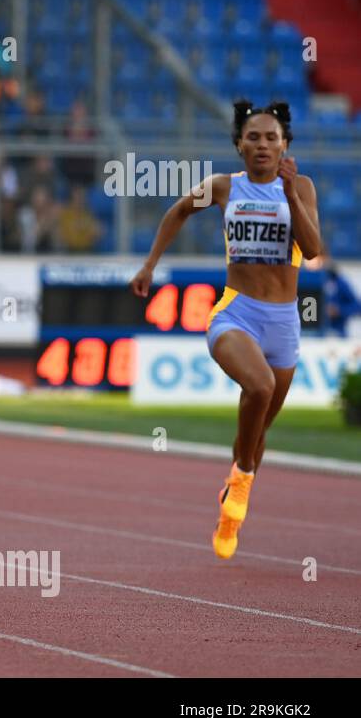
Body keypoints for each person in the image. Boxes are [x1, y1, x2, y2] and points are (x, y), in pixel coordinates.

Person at [130, 101, 322, 560]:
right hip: (235, 314)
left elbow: (313, 250)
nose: (262, 145)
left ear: (285, 146)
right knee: (258, 386)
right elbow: (176, 212)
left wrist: (292, 195)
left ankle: (237, 482)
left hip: (283, 324)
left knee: (256, 434)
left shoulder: (303, 188)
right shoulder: (221, 188)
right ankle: (240, 486)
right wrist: (150, 265)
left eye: (271, 138)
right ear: (239, 144)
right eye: (253, 137)